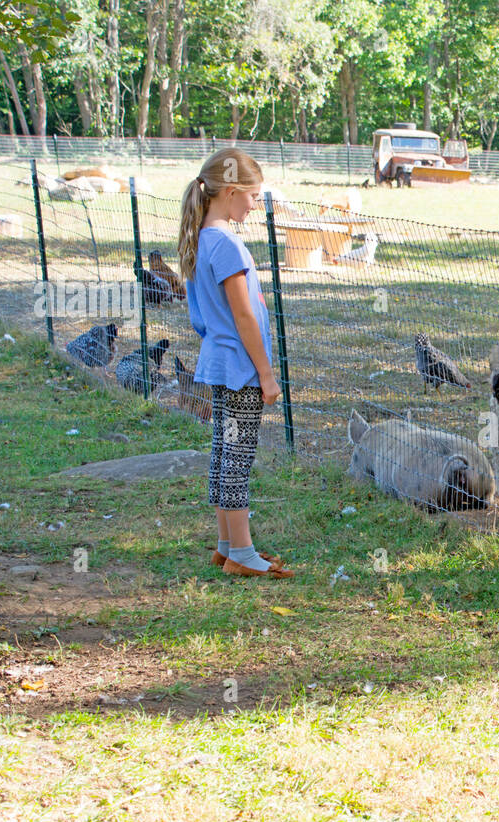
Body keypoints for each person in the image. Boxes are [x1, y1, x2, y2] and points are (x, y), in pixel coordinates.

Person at [177, 147, 294, 579]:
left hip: (218, 365)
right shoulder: (225, 244)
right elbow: (244, 315)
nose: (255, 204)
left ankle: (227, 545)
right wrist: (265, 373)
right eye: (253, 195)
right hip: (241, 369)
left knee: (224, 450)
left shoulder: (200, 240)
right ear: (230, 191)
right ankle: (242, 554)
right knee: (239, 455)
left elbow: (198, 317)